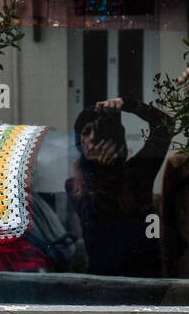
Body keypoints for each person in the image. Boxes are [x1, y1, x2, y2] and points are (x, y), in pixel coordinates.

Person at [66, 95, 171, 278]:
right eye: (85, 132)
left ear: (115, 139)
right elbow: (97, 223)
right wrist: (95, 110)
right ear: (79, 142)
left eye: (96, 132)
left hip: (145, 276)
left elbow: (165, 125)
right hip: (103, 280)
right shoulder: (76, 185)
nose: (90, 140)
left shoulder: (138, 171)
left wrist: (127, 104)